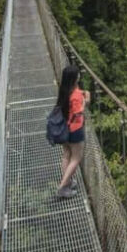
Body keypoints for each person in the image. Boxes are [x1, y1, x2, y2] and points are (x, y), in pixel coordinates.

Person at [55, 64, 90, 199]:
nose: (80, 76)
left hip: (64, 127)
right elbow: (78, 112)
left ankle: (68, 182)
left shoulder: (64, 90)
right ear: (74, 78)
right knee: (76, 158)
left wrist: (82, 94)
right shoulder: (76, 96)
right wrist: (85, 101)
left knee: (66, 155)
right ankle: (62, 187)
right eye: (78, 74)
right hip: (75, 130)